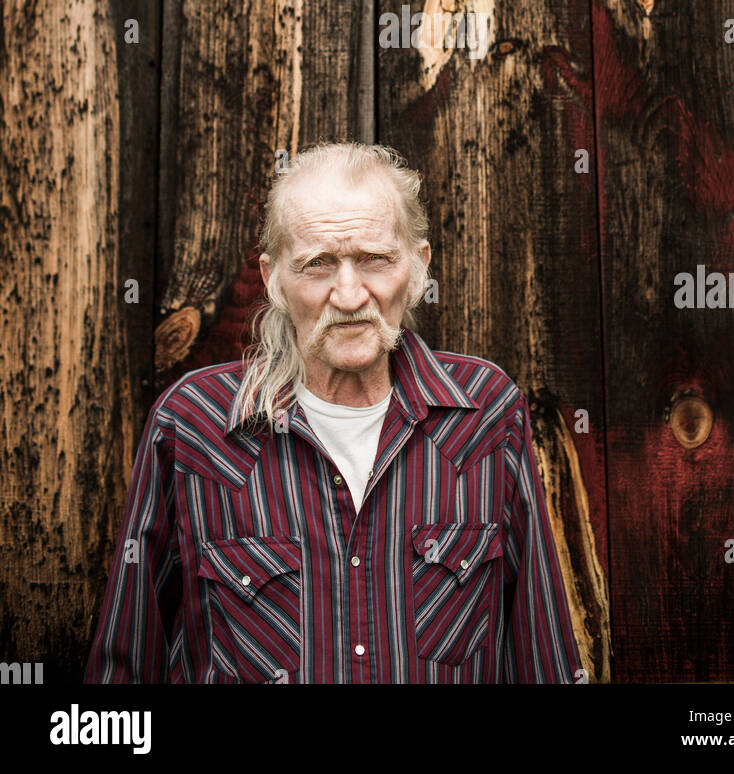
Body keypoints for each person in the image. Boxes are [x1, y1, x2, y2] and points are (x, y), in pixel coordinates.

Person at [85, 141, 581, 683]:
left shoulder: (485, 415)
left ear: (418, 265)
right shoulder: (193, 426)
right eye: (318, 264)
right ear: (273, 278)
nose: (348, 295)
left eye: (374, 259)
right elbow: (125, 667)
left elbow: (541, 652)